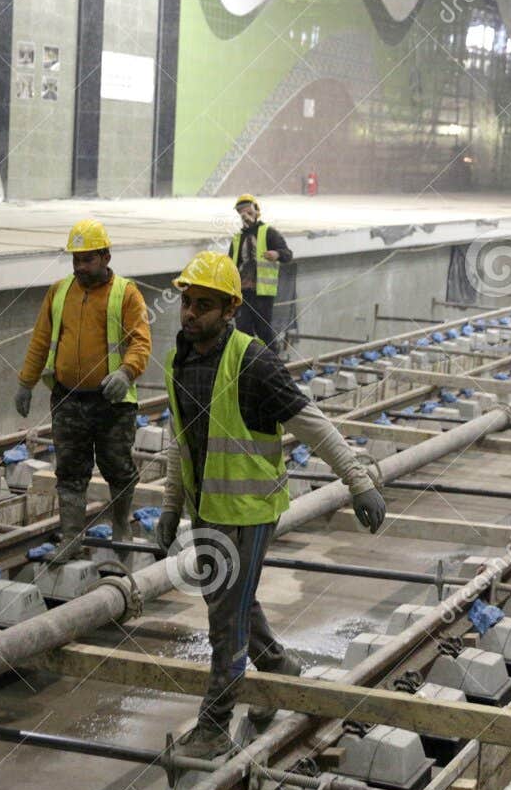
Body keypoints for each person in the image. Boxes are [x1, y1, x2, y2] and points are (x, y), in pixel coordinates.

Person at [154, 252, 387, 759]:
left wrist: (358, 480)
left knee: (226, 620)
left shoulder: (253, 361)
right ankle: (279, 669)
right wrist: (172, 504)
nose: (190, 313)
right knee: (231, 600)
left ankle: (214, 728)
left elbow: (311, 422)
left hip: (250, 510)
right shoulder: (181, 359)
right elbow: (180, 437)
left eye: (204, 305)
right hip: (208, 510)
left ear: (230, 309)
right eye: (187, 303)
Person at [15, 220, 151, 565]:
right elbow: (41, 339)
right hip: (68, 399)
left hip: (111, 403)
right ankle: (72, 538)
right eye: (76, 260)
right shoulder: (60, 291)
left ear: (106, 256)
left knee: (118, 469)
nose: (79, 267)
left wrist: (126, 371)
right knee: (70, 472)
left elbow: (141, 341)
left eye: (87, 260)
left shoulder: (126, 293)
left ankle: (121, 525)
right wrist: (26, 382)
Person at [229, 195, 293, 349]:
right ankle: (248, 362)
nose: (246, 217)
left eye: (249, 212)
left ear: (257, 212)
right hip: (243, 292)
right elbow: (231, 264)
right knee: (243, 331)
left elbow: (287, 254)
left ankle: (272, 359)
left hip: (262, 293)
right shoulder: (238, 238)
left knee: (263, 330)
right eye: (242, 214)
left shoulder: (268, 232)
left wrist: (276, 254)